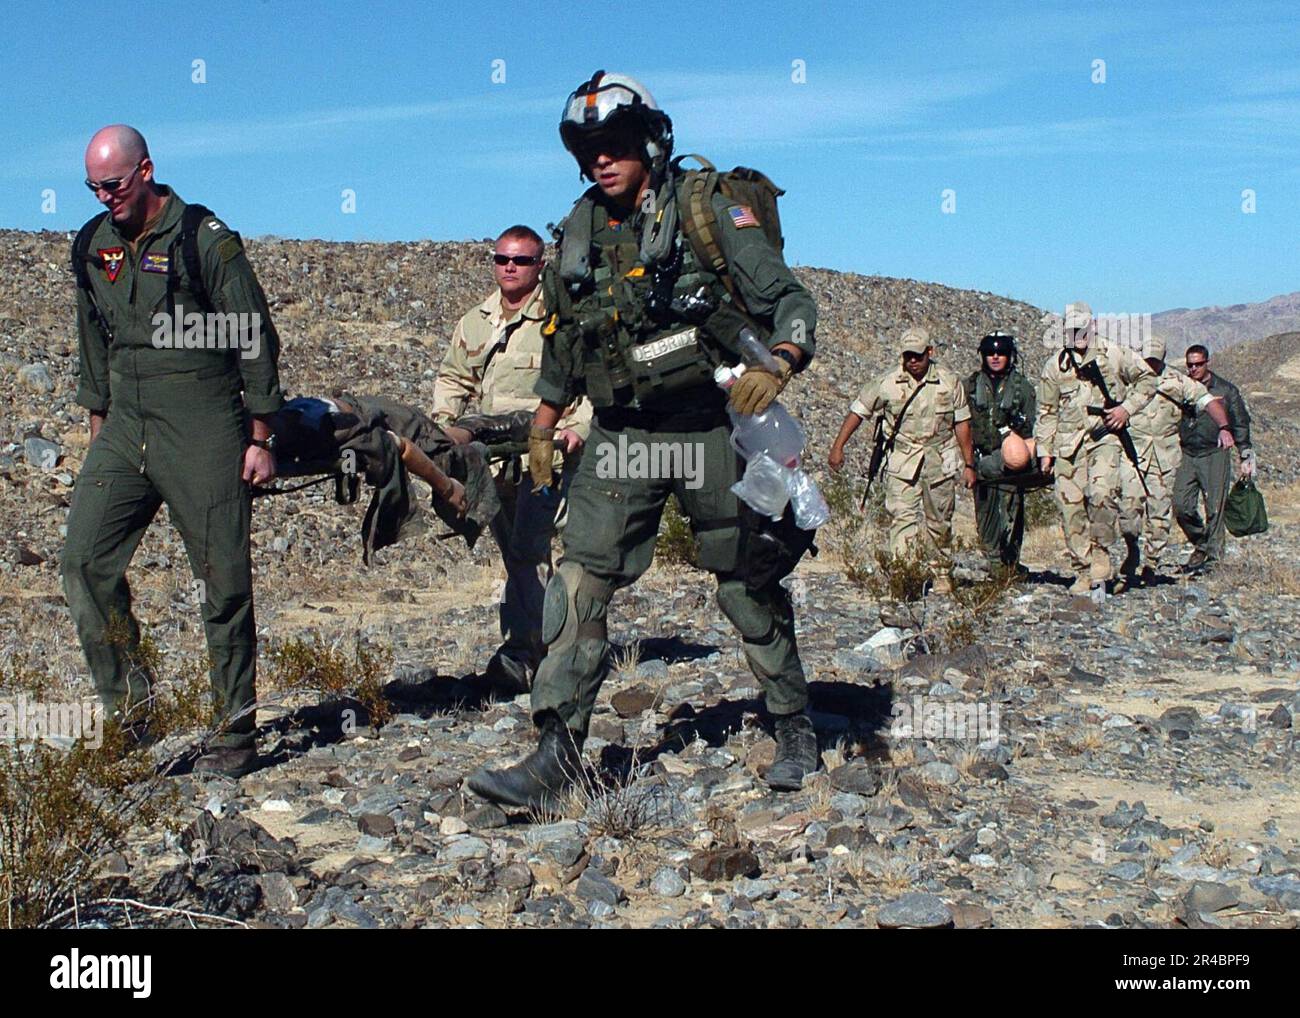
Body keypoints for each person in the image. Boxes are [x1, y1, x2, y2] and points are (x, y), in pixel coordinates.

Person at [468, 70, 819, 808]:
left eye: (616, 144)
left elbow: (786, 297)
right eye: (589, 147)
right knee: (577, 585)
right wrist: (542, 422)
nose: (602, 158)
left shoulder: (706, 207)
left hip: (705, 430)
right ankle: (556, 756)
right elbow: (568, 338)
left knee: (745, 583)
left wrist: (781, 360)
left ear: (650, 142)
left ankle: (792, 724)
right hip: (623, 436)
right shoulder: (577, 232)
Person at [62, 125, 282, 777]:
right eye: (94, 187)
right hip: (128, 417)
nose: (105, 197)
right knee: (83, 561)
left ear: (147, 170)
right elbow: (92, 339)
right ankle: (131, 713)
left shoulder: (203, 240)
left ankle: (234, 730)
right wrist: (99, 424)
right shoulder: (92, 244)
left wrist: (261, 436)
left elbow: (253, 335)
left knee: (221, 576)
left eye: (115, 184)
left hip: (202, 413)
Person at [432, 225, 591, 692]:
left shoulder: (560, 318)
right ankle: (533, 647)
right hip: (494, 464)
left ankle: (544, 653)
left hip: (545, 457)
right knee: (518, 558)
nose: (509, 267)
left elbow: (585, 384)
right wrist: (444, 429)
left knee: (534, 553)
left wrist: (576, 431)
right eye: (501, 258)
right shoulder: (475, 322)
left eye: (520, 261)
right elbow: (453, 377)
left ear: (539, 265)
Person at [828, 326, 976, 595]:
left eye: (918, 356)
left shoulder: (949, 381)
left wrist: (968, 464)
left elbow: (962, 423)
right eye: (908, 356)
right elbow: (858, 411)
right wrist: (838, 446)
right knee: (901, 516)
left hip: (940, 458)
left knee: (939, 520)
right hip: (903, 459)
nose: (913, 361)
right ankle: (904, 573)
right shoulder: (887, 382)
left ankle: (941, 571)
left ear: (930, 352)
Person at [1036, 302, 1156, 598]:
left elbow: (1147, 379)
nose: (1077, 334)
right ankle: (1082, 569)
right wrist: (1044, 451)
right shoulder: (1055, 365)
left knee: (1102, 495)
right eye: (1071, 329)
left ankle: (1101, 555)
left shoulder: (1114, 354)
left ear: (1093, 326)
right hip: (1068, 443)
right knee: (1071, 508)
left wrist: (1126, 409)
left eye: (1082, 328)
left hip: (1105, 438)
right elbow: (1047, 411)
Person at [1116, 335, 1235, 586]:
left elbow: (1206, 401)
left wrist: (1224, 427)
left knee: (1159, 513)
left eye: (1153, 360)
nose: (1149, 365)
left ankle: (1151, 563)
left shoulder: (1179, 383)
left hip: (1164, 456)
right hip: (1132, 454)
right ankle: (1132, 550)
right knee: (1128, 509)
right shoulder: (1127, 380)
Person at [1173, 344, 1254, 574]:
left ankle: (1214, 559)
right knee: (1181, 505)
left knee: (1215, 507)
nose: (1193, 369)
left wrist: (1246, 455)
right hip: (1188, 453)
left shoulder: (1226, 390)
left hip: (1215, 453)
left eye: (1198, 364)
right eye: (1189, 365)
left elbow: (1240, 423)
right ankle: (1202, 543)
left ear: (1207, 362)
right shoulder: (1183, 388)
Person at [963, 331, 1036, 574]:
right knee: (984, 509)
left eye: (1001, 352)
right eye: (990, 353)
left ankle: (1010, 562)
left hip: (1010, 461)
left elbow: (1031, 425)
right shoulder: (970, 387)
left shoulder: (1021, 388)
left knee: (1011, 507)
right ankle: (992, 559)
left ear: (1010, 356)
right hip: (980, 457)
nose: (995, 357)